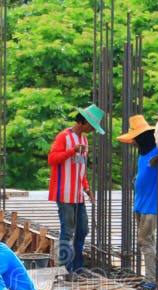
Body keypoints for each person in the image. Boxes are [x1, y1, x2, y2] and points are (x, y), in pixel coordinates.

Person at [48, 104, 106, 278]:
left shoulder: (84, 141)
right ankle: (65, 269)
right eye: (92, 126)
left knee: (82, 230)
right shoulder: (64, 137)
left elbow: (81, 169)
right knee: (67, 231)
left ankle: (78, 267)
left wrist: (87, 188)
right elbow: (52, 159)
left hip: (78, 194)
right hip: (64, 193)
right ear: (84, 122)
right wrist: (71, 151)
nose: (93, 130)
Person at [118, 115, 158, 290]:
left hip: (151, 206)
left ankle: (152, 279)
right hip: (140, 204)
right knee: (145, 242)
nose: (133, 143)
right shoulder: (143, 155)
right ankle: (150, 276)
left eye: (135, 139)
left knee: (146, 241)